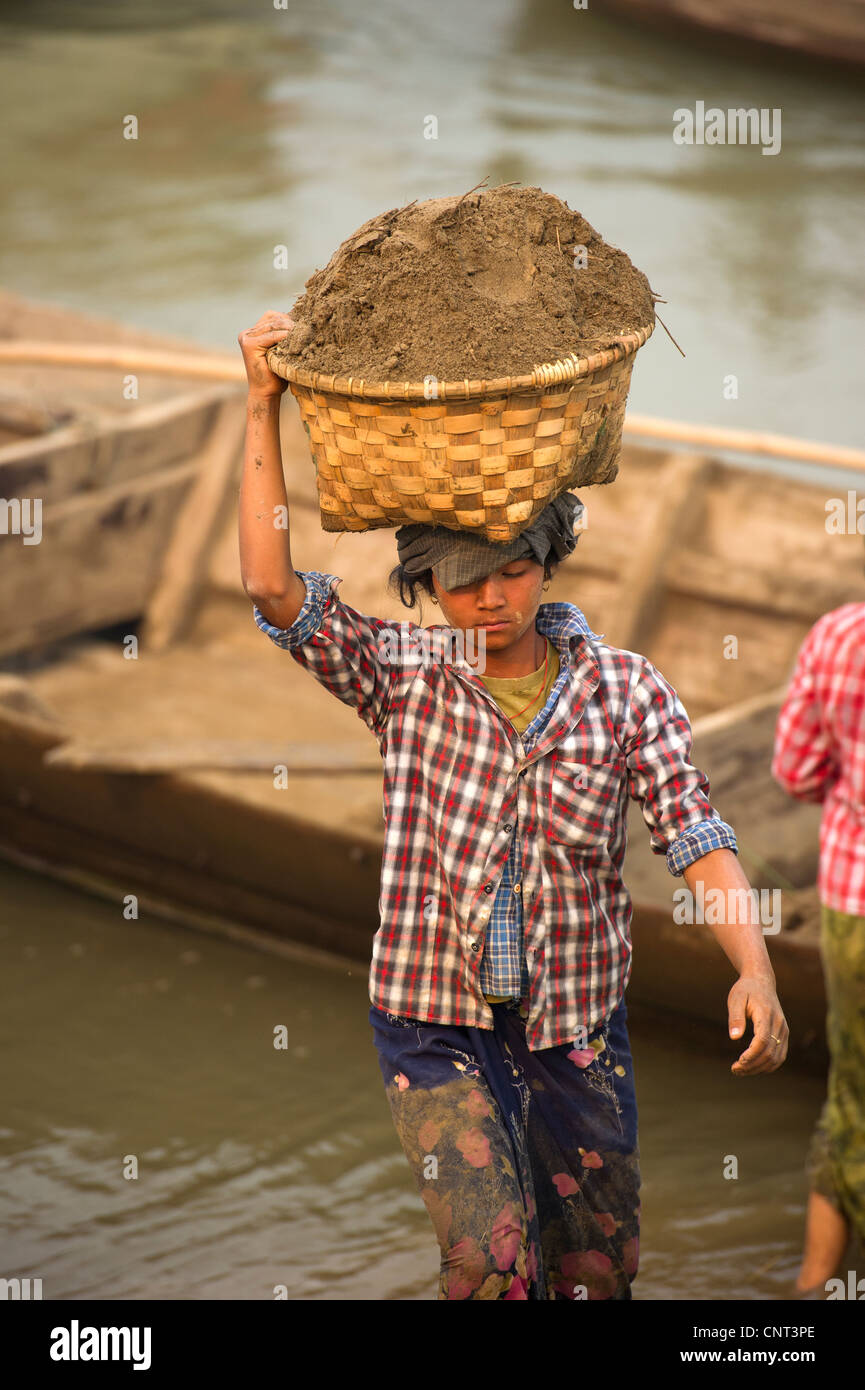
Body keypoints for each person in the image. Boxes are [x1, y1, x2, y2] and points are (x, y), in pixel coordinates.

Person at [238, 309, 789, 1301]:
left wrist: (753, 968)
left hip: (574, 1022)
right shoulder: (400, 672)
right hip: (430, 1019)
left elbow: (695, 838)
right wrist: (260, 401)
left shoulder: (624, 690)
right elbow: (273, 588)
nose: (488, 601)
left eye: (512, 571)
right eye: (458, 584)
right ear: (424, 588)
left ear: (546, 560)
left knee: (595, 1271)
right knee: (487, 1265)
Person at [771, 590, 865, 1296]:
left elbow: (796, 771)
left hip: (850, 904)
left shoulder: (836, 635)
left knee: (849, 1093)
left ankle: (813, 1286)